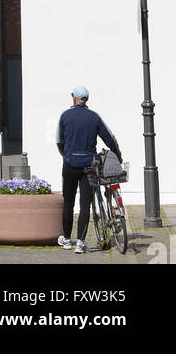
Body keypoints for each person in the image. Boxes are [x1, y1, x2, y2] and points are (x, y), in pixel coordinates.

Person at [56, 86, 121, 253]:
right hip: (89, 167)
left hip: (69, 166)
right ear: (87, 99)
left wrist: (67, 155)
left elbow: (59, 142)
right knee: (85, 205)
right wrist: (118, 155)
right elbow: (109, 139)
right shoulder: (94, 117)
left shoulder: (65, 116)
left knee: (68, 203)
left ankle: (67, 240)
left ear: (73, 97)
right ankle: (80, 242)